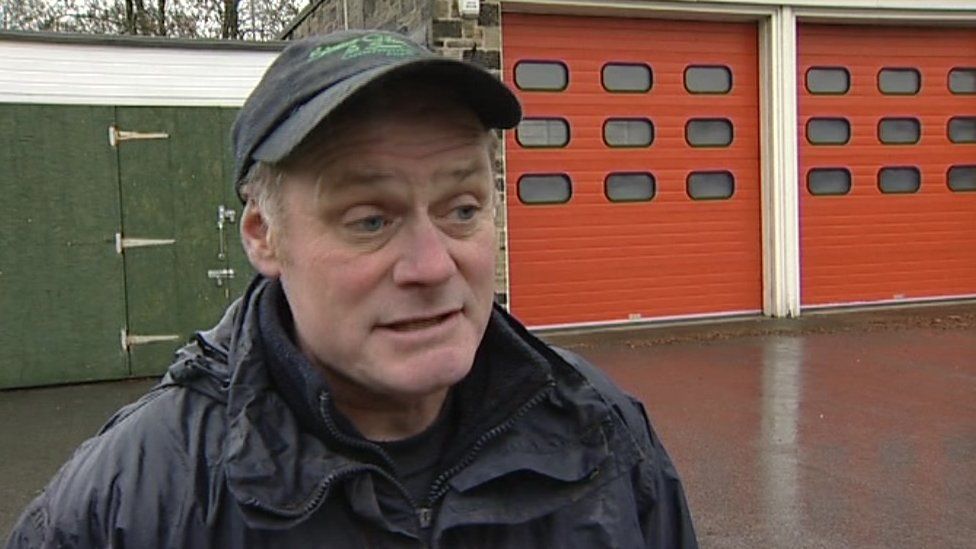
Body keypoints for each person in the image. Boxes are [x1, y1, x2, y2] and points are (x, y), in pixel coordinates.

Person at [6, 30, 698, 548]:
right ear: (262, 235)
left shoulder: (603, 435)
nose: (431, 265)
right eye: (371, 219)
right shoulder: (140, 495)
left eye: (462, 208)